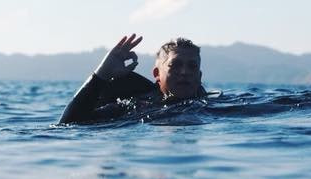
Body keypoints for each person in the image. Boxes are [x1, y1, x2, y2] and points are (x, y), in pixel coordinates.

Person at [58, 34, 206, 124]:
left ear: (199, 77)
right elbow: (69, 124)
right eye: (175, 65)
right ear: (157, 74)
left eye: (192, 66)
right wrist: (101, 74)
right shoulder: (135, 106)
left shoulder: (211, 105)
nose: (184, 72)